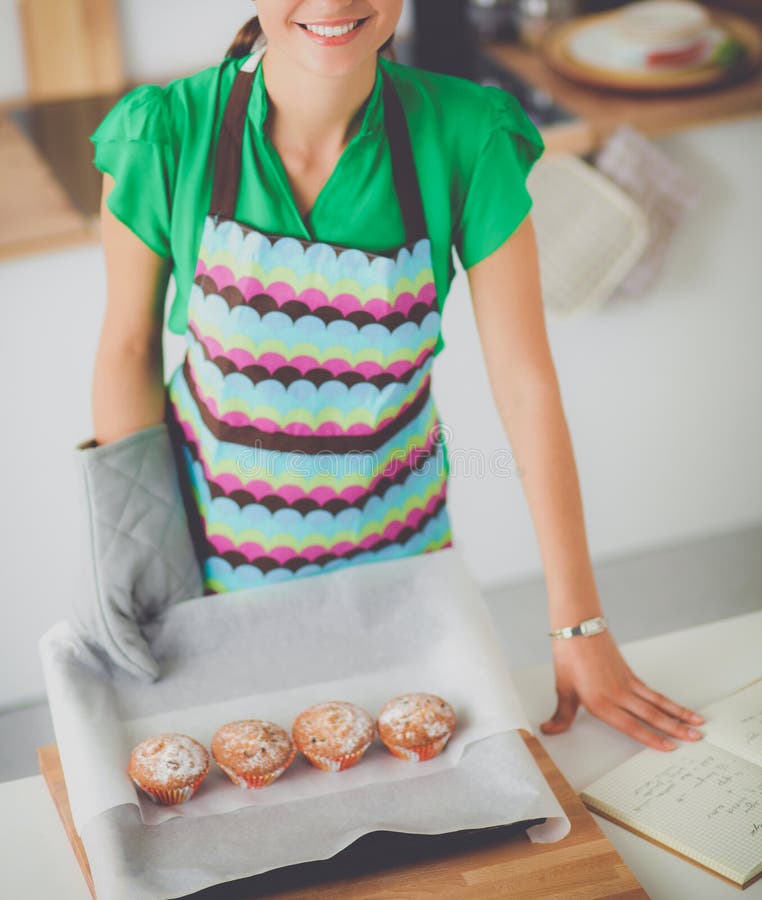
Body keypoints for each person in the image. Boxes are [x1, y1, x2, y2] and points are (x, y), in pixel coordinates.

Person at [86, 1, 705, 751]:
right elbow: (126, 349)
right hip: (213, 584)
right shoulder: (167, 134)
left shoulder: (467, 134)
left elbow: (524, 384)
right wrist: (140, 566)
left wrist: (579, 624)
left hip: (404, 570)